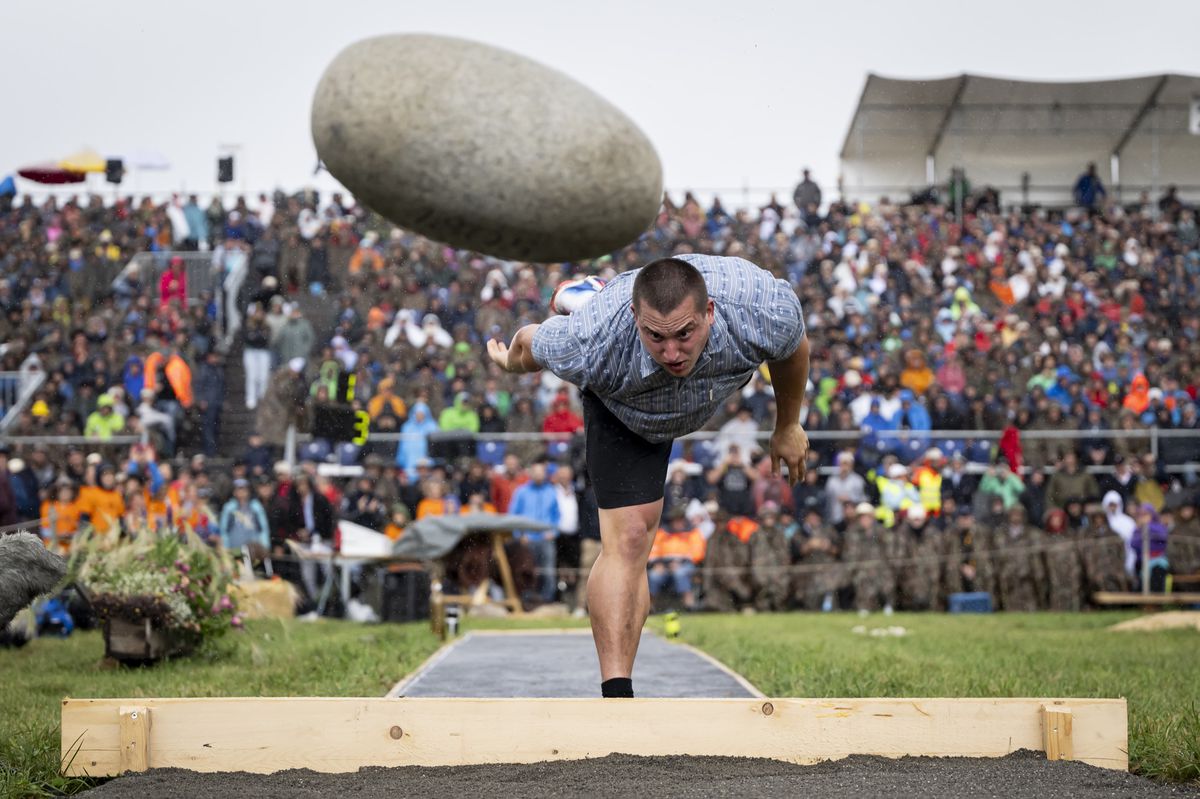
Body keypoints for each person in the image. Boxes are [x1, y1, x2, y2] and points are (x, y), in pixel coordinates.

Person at [488, 254, 808, 698]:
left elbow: (793, 349)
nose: (672, 352)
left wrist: (787, 424)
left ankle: (596, 294)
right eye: (656, 337)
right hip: (628, 411)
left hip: (703, 389)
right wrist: (509, 363)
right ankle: (618, 696)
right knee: (631, 538)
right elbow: (528, 344)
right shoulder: (591, 342)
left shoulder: (761, 310)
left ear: (709, 313)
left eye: (684, 334)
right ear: (636, 319)